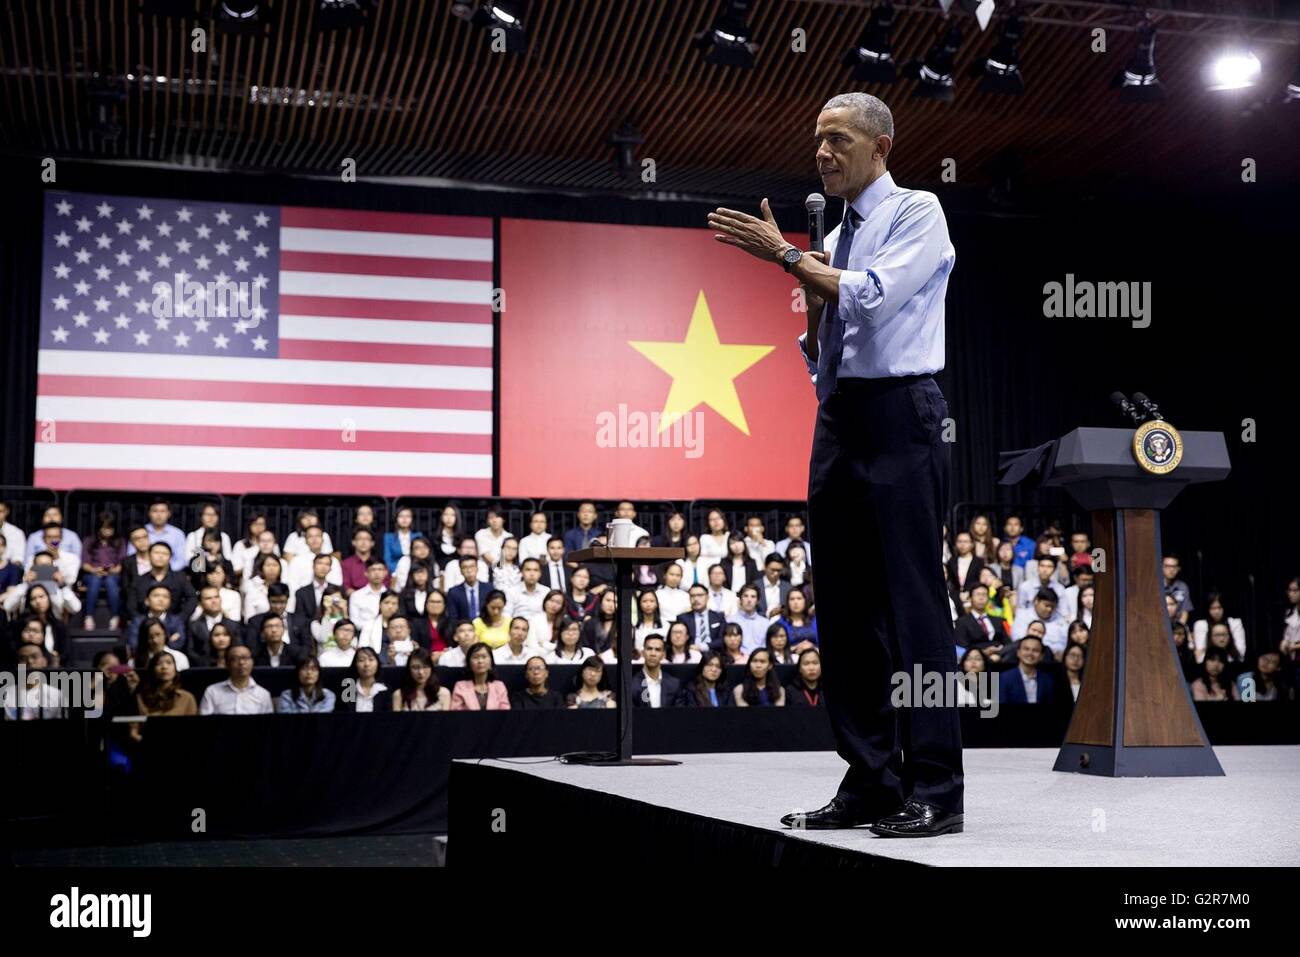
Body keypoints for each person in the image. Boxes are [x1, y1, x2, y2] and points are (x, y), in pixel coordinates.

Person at [715, 96, 965, 834]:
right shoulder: (838, 233)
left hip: (902, 416)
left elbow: (878, 300)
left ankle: (936, 789)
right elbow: (830, 340)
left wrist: (790, 257)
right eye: (817, 140)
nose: (822, 152)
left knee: (914, 609)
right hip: (841, 419)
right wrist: (810, 277)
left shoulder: (918, 211)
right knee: (848, 612)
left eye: (839, 139)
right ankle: (871, 779)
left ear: (880, 147)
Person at [81, 511, 126, 630]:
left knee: (111, 581)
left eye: (110, 528)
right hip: (92, 574)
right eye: (105, 528)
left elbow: (122, 563)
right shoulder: (89, 541)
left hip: (113, 574)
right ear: (99, 527)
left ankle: (115, 617)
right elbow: (84, 563)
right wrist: (94, 570)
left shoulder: (119, 541)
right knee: (95, 580)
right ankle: (88, 616)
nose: (107, 531)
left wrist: (115, 569)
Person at [199, 645, 273, 715]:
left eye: (245, 658)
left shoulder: (263, 694)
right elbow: (205, 724)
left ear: (252, 662)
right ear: (227, 664)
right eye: (235, 659)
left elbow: (268, 725)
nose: (241, 662)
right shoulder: (212, 691)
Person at [450, 643, 511, 710]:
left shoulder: (499, 686)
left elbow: (505, 713)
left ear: (491, 662)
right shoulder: (460, 686)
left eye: (484, 657)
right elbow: (456, 714)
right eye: (475, 657)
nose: (480, 661)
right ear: (469, 663)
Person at [1000, 634, 1056, 705]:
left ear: (1041, 656)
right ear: (1018, 653)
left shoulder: (1048, 680)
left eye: (1035, 650)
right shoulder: (1003, 678)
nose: (1030, 653)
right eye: (1026, 649)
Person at [629, 635, 680, 708]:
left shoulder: (674, 684)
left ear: (663, 654)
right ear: (643, 652)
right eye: (649, 649)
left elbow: (680, 714)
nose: (653, 654)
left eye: (658, 650)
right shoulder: (631, 685)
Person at [335, 647, 390, 713]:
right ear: (355, 664)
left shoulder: (384, 689)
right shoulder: (348, 689)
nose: (367, 664)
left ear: (378, 663)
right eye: (361, 660)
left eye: (371, 659)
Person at [778, 586, 818, 654]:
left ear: (805, 601)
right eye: (792, 599)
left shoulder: (814, 621)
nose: (795, 602)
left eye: (799, 598)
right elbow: (777, 649)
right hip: (789, 660)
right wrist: (796, 648)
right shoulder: (780, 623)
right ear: (788, 603)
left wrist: (812, 647)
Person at [383, 506, 424, 573]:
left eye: (408, 516)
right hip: (396, 571)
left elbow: (421, 556)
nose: (404, 519)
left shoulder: (418, 535)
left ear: (412, 519)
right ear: (396, 519)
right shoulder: (388, 537)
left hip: (415, 570)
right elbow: (387, 559)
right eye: (401, 516)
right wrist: (397, 571)